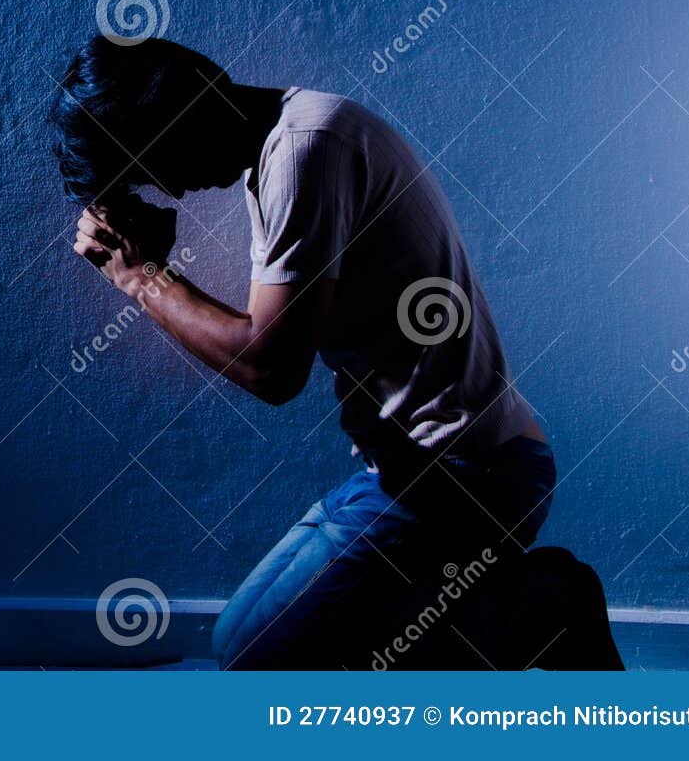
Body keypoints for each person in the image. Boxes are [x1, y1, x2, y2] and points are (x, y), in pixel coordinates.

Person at [52, 35, 619, 669]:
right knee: (235, 638)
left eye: (154, 164)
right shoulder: (283, 146)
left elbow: (271, 368)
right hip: (403, 469)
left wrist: (143, 278)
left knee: (263, 656)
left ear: (175, 116)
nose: (174, 192)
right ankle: (487, 609)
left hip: (468, 472)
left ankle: (546, 606)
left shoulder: (304, 150)